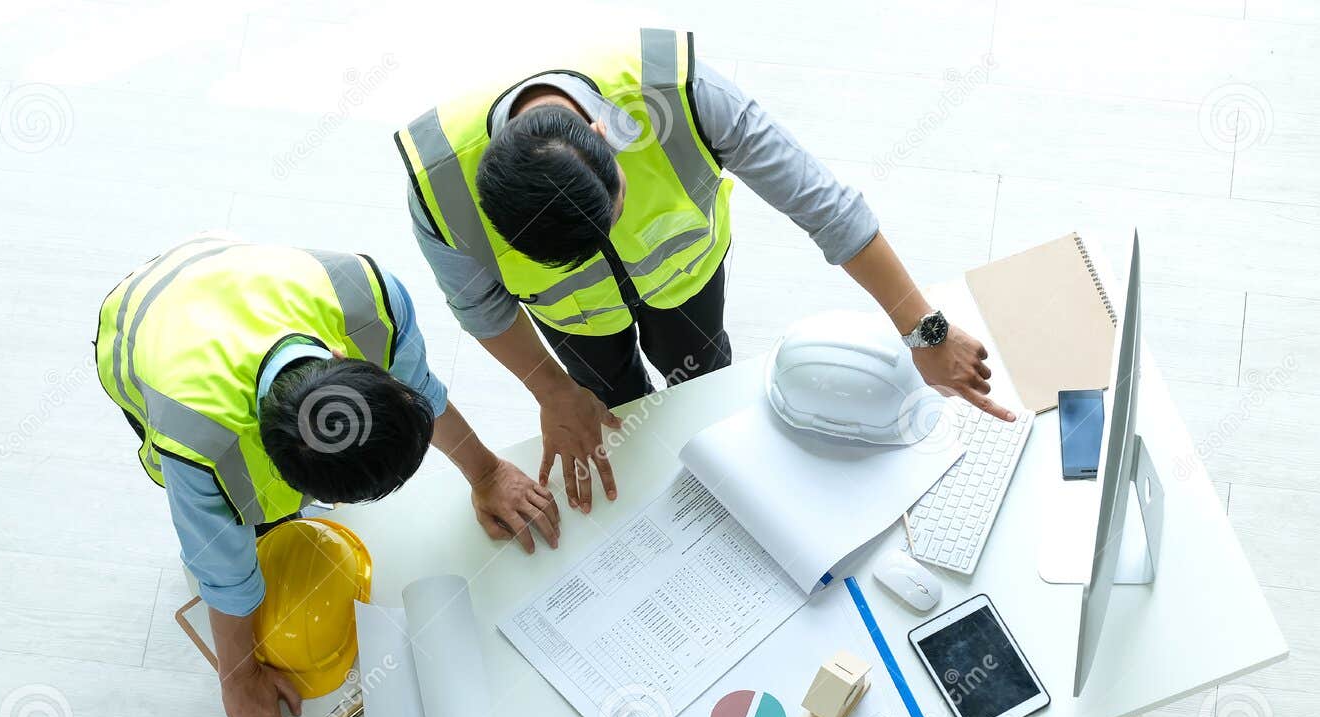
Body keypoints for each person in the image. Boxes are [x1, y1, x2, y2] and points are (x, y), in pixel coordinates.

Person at [395, 27, 1007, 514]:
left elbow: (825, 206)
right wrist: (554, 394)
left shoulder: (678, 91)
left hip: (688, 284)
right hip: (573, 321)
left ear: (605, 133)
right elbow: (484, 309)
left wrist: (923, 328)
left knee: (704, 376)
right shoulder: (440, 187)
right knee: (611, 406)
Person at [96, 234, 559, 717]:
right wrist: (238, 679)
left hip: (226, 270)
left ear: (347, 357)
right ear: (280, 467)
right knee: (243, 531)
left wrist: (487, 473)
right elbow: (222, 573)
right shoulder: (198, 440)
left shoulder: (370, 302)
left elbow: (421, 391)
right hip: (140, 321)